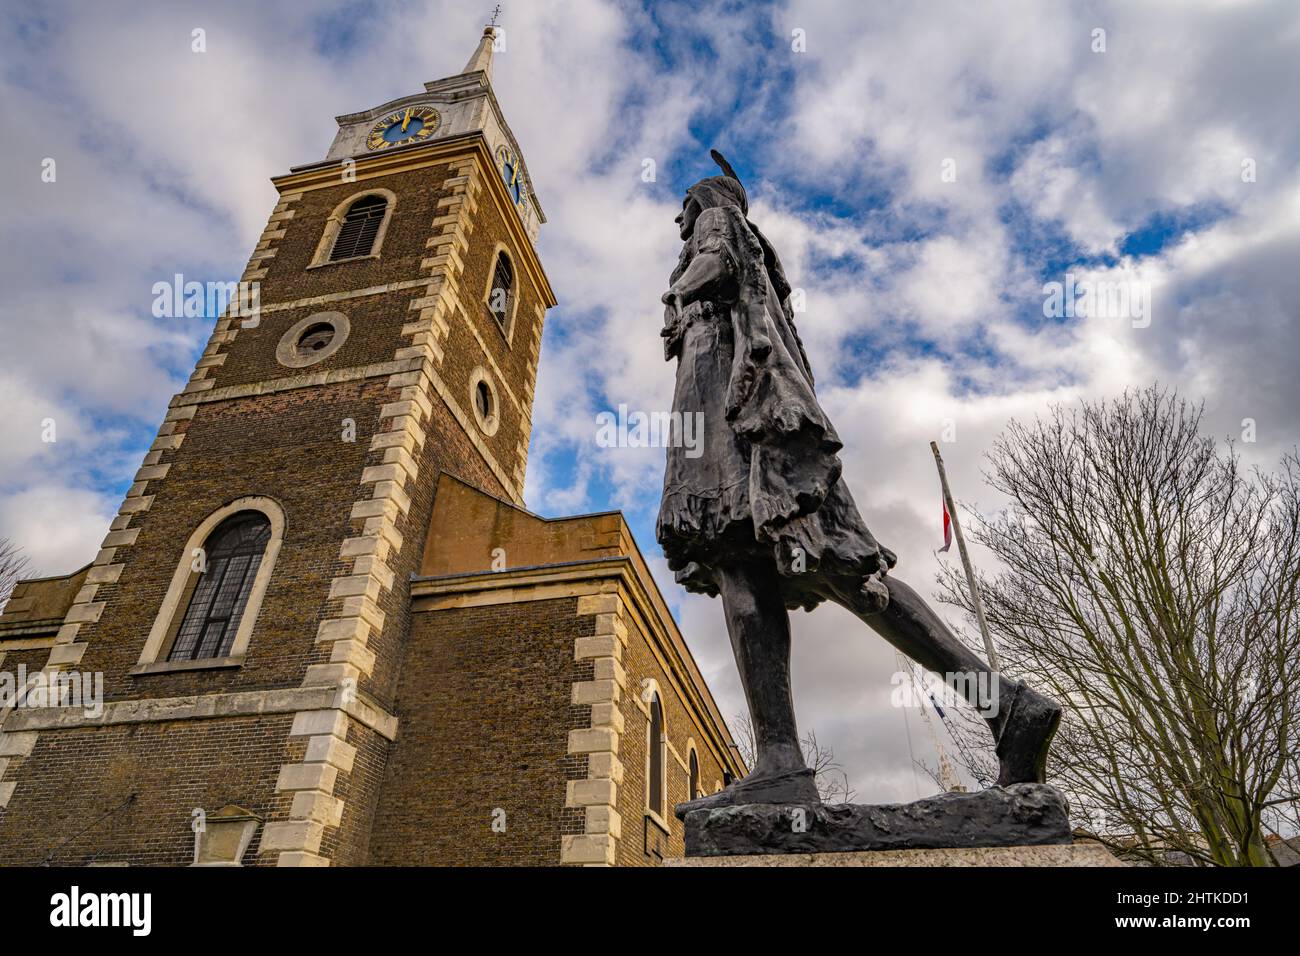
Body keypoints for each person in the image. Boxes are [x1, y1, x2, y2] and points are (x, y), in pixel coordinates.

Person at [658, 151, 1061, 816]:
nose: (679, 218)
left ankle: (788, 761)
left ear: (706, 199)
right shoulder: (740, 246)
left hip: (738, 429)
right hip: (748, 421)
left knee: (793, 565)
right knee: (815, 571)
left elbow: (717, 259)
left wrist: (680, 289)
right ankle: (999, 706)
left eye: (685, 207)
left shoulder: (719, 219)